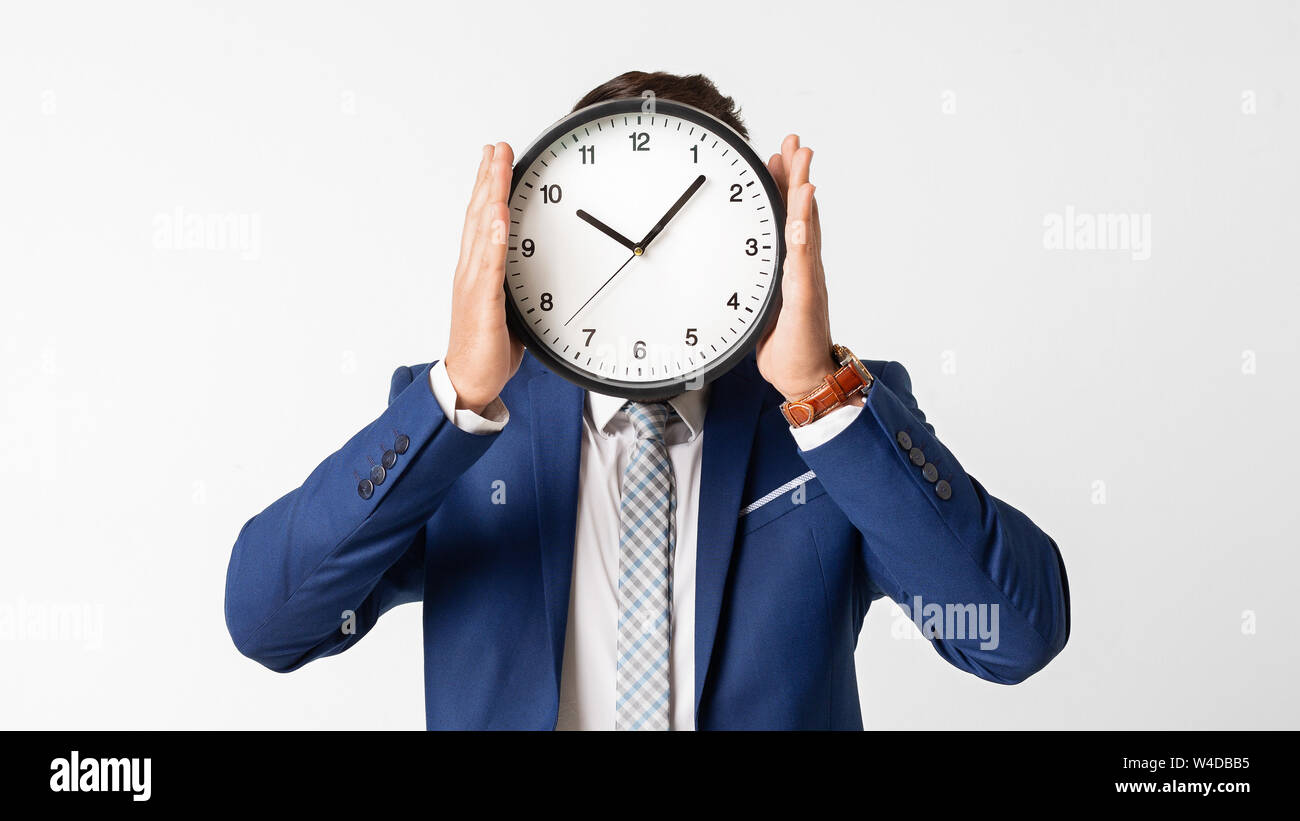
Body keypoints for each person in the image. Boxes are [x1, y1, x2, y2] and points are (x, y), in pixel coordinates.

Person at [223, 71, 1070, 730]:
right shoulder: (458, 429)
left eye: (686, 238)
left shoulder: (833, 420)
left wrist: (822, 395)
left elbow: (1013, 636)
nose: (639, 262)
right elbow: (270, 622)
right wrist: (457, 395)